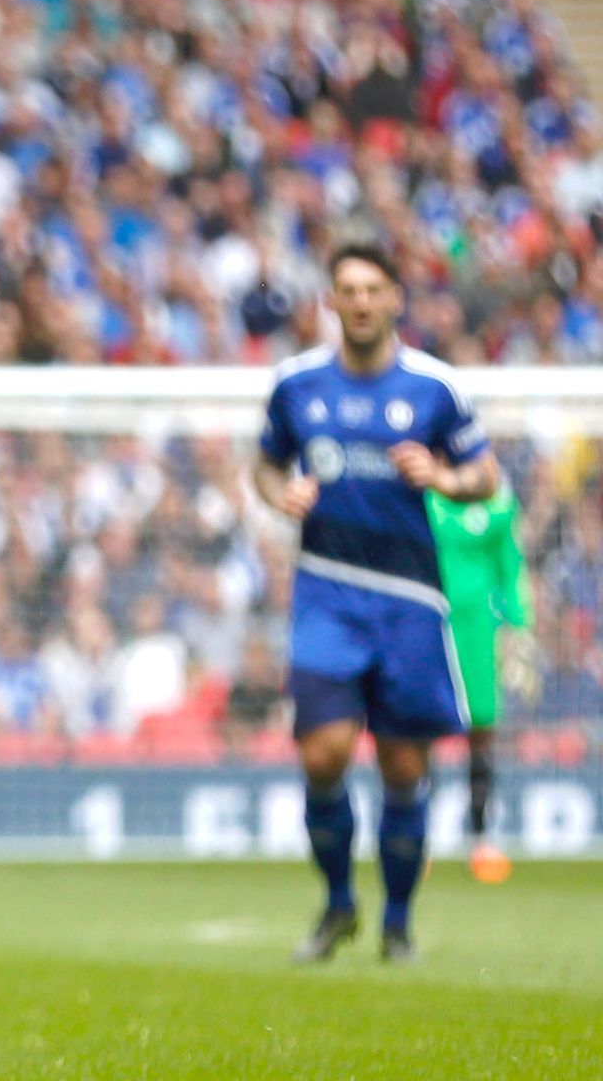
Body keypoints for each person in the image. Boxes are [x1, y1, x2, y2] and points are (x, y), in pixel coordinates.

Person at [252, 243, 501, 965]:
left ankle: (397, 923)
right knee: (324, 753)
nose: (360, 301)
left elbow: (485, 475)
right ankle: (338, 904)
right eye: (348, 290)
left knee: (402, 767)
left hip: (409, 601)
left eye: (373, 289)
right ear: (330, 301)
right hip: (326, 592)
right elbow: (264, 464)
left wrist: (444, 479)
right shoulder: (296, 385)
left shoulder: (435, 388)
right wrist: (280, 494)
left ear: (395, 299)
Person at [427, 482, 533, 884]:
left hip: (480, 632)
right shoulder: (427, 500)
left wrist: (519, 628)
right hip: (430, 623)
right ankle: (419, 839)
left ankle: (480, 838)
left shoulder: (499, 505)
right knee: (423, 730)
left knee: (482, 730)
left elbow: (511, 568)